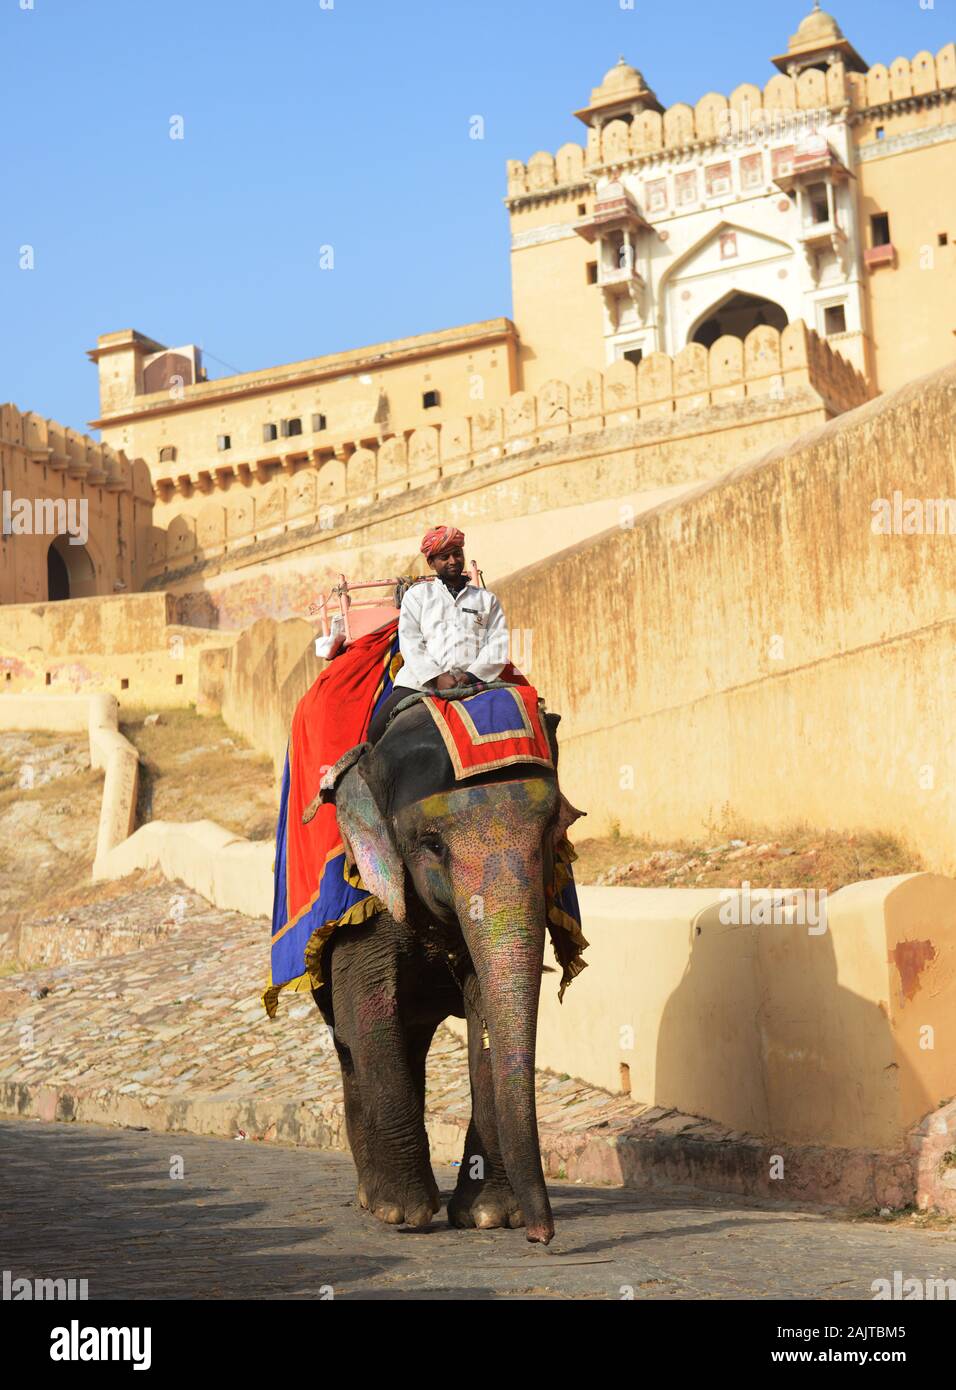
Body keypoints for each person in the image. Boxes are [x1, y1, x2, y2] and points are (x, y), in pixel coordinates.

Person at [367, 524, 510, 743]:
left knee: (528, 712)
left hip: (474, 680)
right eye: (445, 557)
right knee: (375, 731)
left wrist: (470, 676)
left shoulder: (485, 599)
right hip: (419, 682)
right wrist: (436, 677)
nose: (453, 561)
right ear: (431, 562)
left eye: (457, 554)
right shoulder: (418, 596)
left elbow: (497, 643)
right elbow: (410, 641)